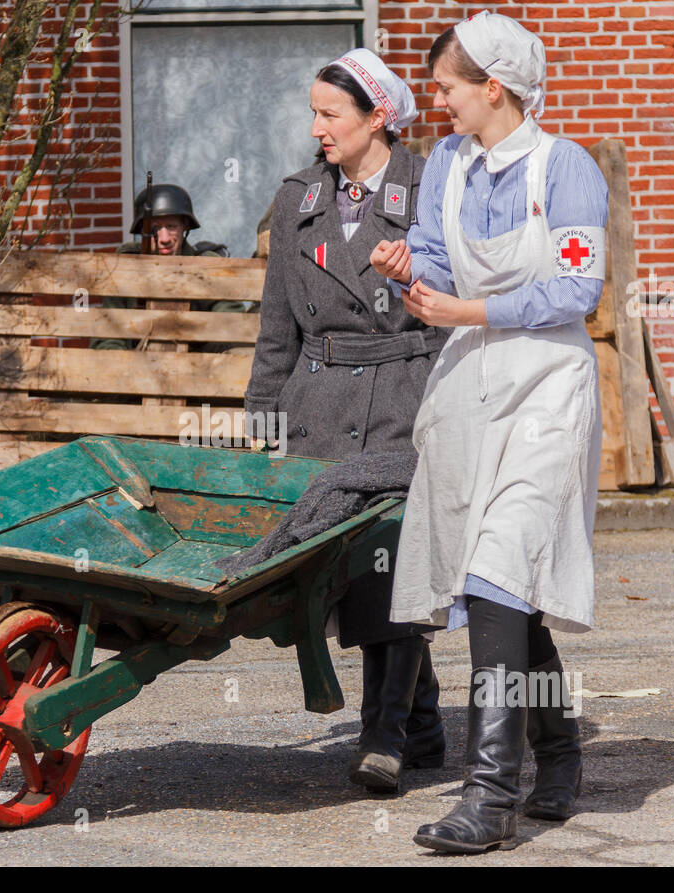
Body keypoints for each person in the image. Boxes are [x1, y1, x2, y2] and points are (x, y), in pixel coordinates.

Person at [371, 11, 608, 852]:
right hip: (471, 382)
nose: (436, 105)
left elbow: (577, 292)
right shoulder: (446, 163)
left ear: (493, 88)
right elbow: (435, 254)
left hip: (548, 384)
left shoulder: (567, 168)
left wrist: (467, 307)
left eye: (447, 88)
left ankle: (490, 794)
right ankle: (561, 752)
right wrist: (411, 269)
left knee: (501, 563)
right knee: (496, 580)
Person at [245, 48, 450, 793]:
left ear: (377, 118)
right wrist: (264, 430)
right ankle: (422, 720)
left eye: (331, 114)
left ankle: (383, 735)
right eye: (314, 114)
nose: (317, 128)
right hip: (320, 404)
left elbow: (463, 300)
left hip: (408, 395)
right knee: (341, 563)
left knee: (390, 557)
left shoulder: (433, 188)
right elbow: (276, 333)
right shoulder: (297, 198)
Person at [91, 184, 247, 351]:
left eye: (171, 227)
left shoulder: (206, 265)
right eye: (155, 229)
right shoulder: (125, 269)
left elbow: (231, 324)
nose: (164, 238)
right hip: (137, 367)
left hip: (200, 367)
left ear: (184, 227)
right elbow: (107, 337)